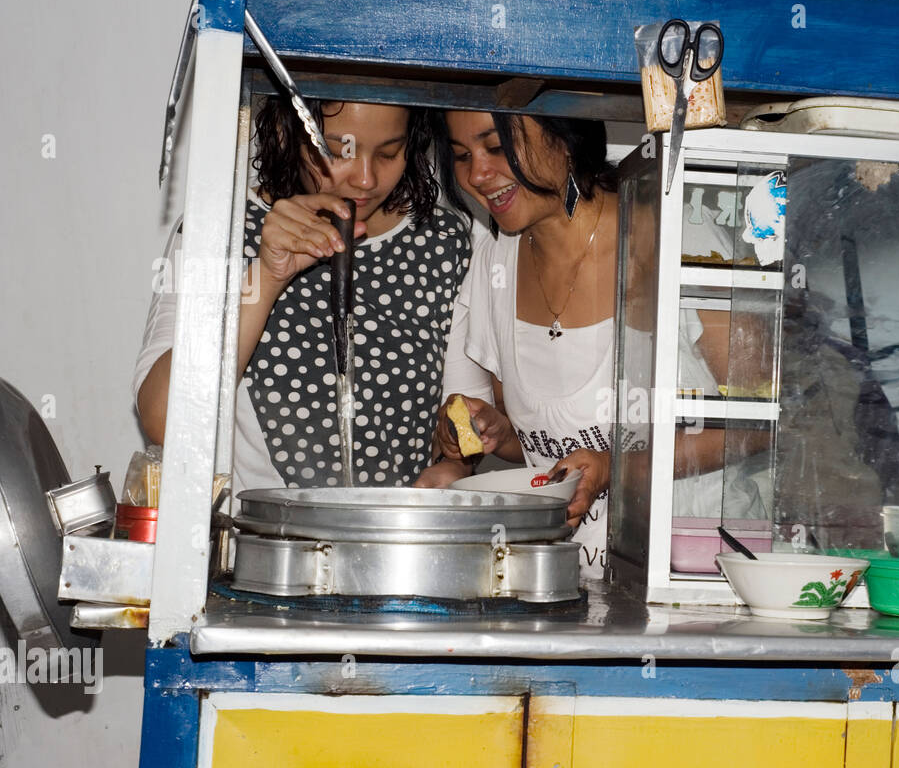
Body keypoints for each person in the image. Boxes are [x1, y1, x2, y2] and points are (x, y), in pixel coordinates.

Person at [134, 98, 470, 496]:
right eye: (340, 150)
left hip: (397, 542)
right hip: (267, 542)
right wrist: (267, 277)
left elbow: (462, 412)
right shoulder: (217, 229)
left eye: (389, 153)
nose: (366, 178)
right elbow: (165, 419)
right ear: (286, 133)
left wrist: (456, 463)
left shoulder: (443, 241)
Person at [417, 112, 618, 578]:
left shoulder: (660, 236)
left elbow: (755, 426)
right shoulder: (493, 258)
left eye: (496, 147)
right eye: (463, 155)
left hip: (690, 570)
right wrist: (492, 432)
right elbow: (532, 440)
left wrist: (613, 466)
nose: (477, 175)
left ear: (567, 138)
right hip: (565, 576)